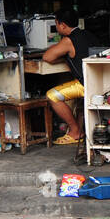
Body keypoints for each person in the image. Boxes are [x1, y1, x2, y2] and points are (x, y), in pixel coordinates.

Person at [42, 8, 90, 145]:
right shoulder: (87, 34)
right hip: (97, 82)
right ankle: (77, 128)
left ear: (62, 25)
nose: (56, 27)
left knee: (52, 95)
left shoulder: (69, 40)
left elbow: (47, 57)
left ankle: (75, 131)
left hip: (85, 85)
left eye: (56, 24)